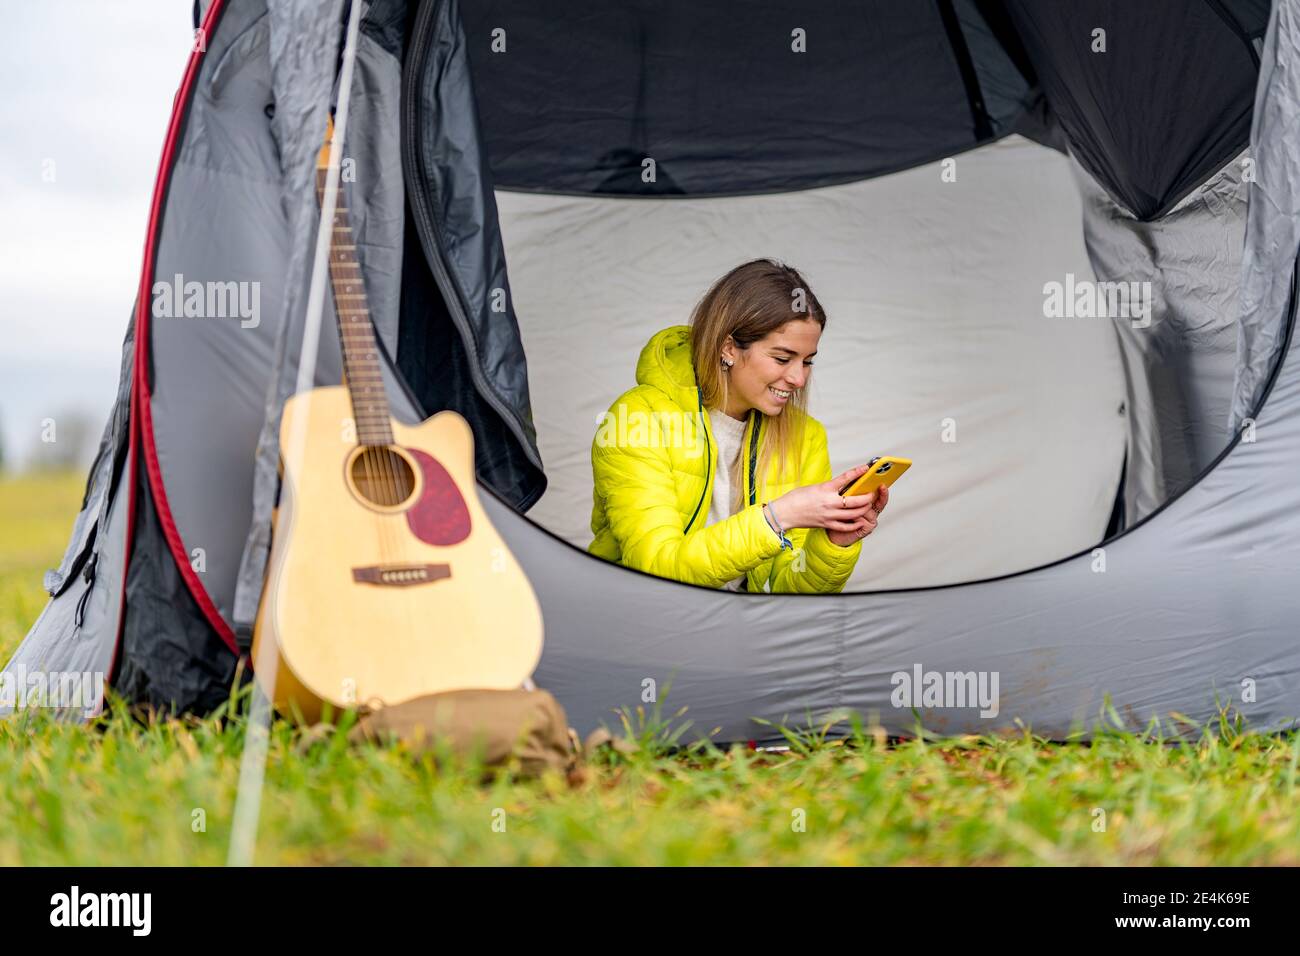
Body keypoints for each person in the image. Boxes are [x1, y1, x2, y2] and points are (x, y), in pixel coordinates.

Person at [588, 258, 886, 593]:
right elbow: (657, 569)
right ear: (728, 347)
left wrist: (833, 544)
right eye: (783, 358)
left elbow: (793, 593)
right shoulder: (638, 419)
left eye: (808, 360)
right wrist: (778, 516)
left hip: (740, 629)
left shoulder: (806, 436)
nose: (798, 378)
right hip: (641, 629)